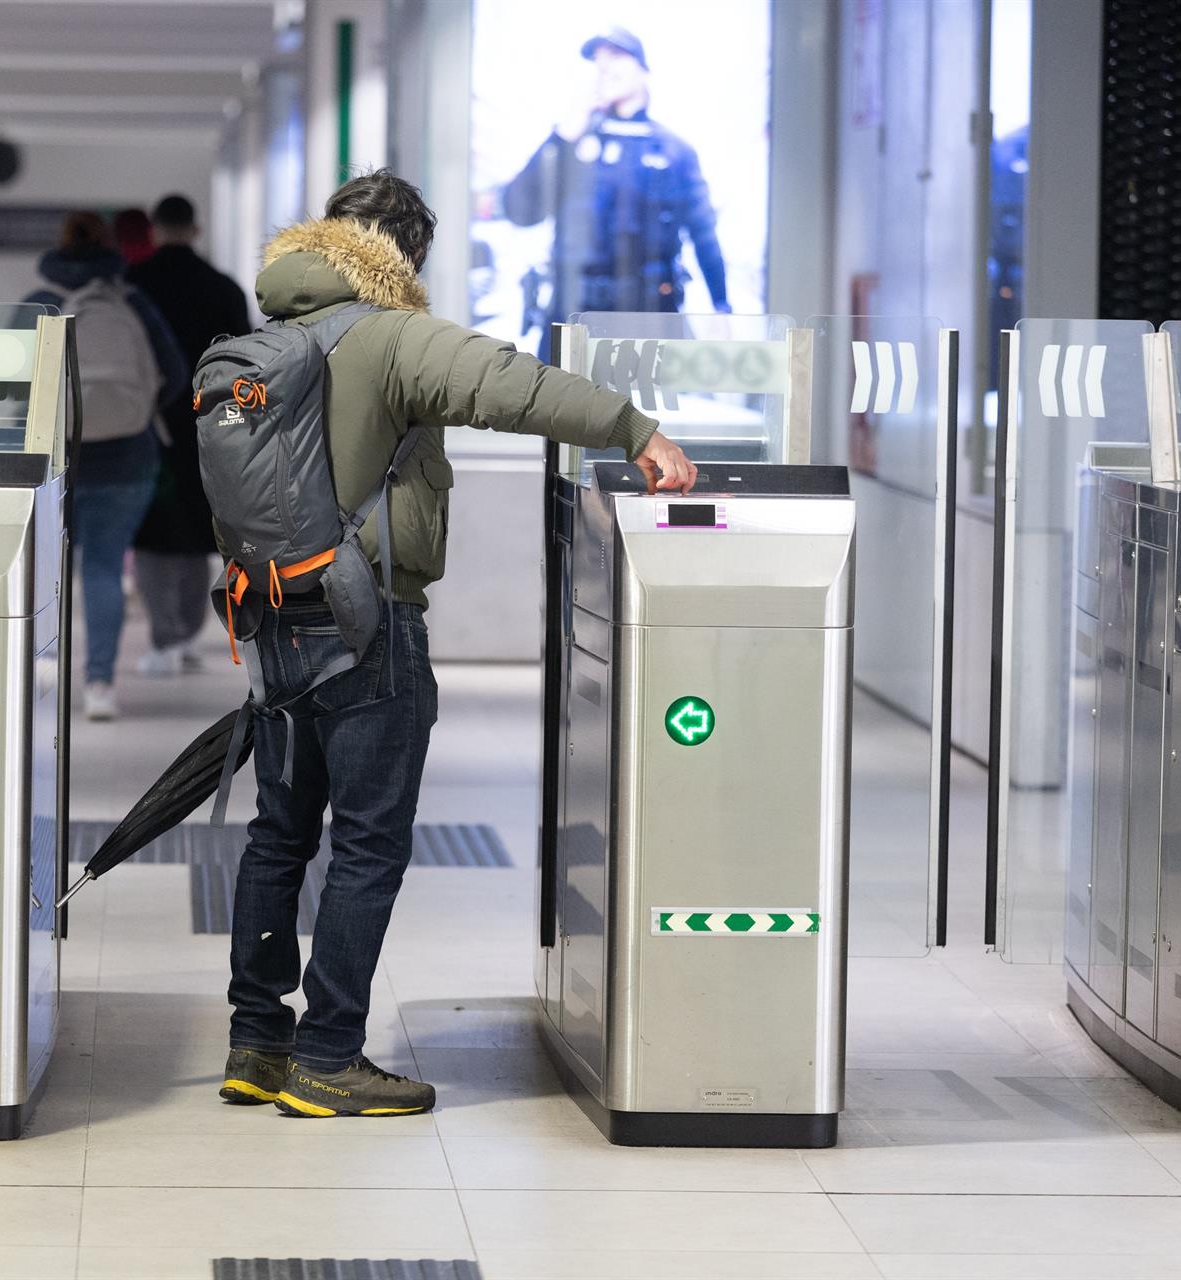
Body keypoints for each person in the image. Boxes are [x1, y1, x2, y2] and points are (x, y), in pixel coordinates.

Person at [219, 169, 696, 1117]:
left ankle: (257, 1044)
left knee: (279, 832)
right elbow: (510, 385)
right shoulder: (391, 335)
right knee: (366, 840)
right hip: (369, 620)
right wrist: (634, 428)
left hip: (269, 616)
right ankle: (328, 1056)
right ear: (404, 256)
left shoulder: (262, 339)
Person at [25, 211, 189, 720]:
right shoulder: (131, 303)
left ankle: (41, 677)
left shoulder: (38, 305)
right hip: (126, 457)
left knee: (47, 572)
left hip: (53, 460)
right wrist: (137, 411)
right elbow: (176, 373)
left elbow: (9, 384)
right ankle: (99, 685)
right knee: (102, 567)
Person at [501, 26, 729, 360]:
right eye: (599, 60)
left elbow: (704, 233)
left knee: (646, 411)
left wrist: (721, 306)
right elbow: (519, 211)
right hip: (573, 318)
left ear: (644, 70)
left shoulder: (673, 150)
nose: (606, 66)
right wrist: (563, 137)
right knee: (560, 410)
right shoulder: (571, 141)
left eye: (618, 56)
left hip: (650, 320)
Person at [128, 193, 253, 677]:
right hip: (210, 425)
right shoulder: (222, 288)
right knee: (201, 531)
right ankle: (187, 633)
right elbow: (245, 361)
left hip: (148, 426)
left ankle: (165, 636)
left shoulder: (135, 285)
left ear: (156, 229)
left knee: (154, 534)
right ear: (195, 229)